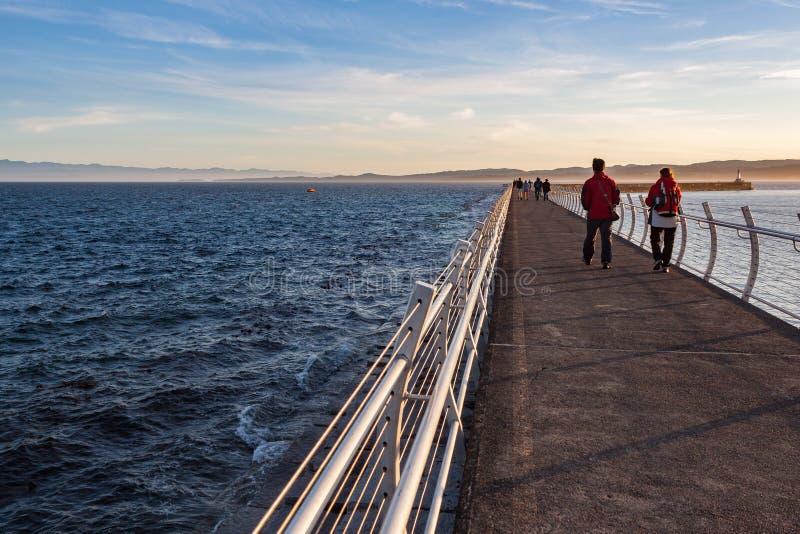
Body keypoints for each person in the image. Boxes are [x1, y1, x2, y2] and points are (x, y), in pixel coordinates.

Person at [581, 158, 620, 269]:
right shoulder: (611, 181)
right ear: (604, 167)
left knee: (590, 237)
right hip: (607, 215)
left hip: (593, 215)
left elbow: (585, 200)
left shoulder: (589, 183)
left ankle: (587, 258)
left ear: (593, 168)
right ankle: (606, 261)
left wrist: (589, 208)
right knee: (606, 238)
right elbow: (616, 198)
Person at [645, 167, 682, 273]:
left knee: (655, 240)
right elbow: (678, 201)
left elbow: (648, 202)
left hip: (657, 218)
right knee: (669, 243)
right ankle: (666, 266)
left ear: (661, 175)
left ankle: (657, 258)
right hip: (672, 218)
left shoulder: (656, 186)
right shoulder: (676, 187)